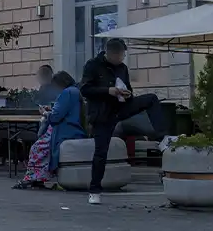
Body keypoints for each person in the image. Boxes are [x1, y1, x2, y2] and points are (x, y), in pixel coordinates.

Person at [80, 39, 167, 206]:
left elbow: (128, 88)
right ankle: (95, 190)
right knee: (101, 152)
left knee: (151, 99)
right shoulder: (93, 65)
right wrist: (108, 91)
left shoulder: (122, 68)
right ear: (111, 53)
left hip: (121, 107)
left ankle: (162, 138)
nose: (122, 58)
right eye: (121, 55)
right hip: (102, 114)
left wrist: (127, 94)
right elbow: (84, 89)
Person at [16, 71, 86, 189]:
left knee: (37, 147)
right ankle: (36, 177)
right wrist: (52, 109)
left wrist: (45, 113)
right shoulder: (75, 91)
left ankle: (34, 178)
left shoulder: (67, 92)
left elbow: (55, 117)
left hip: (64, 130)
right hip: (73, 129)